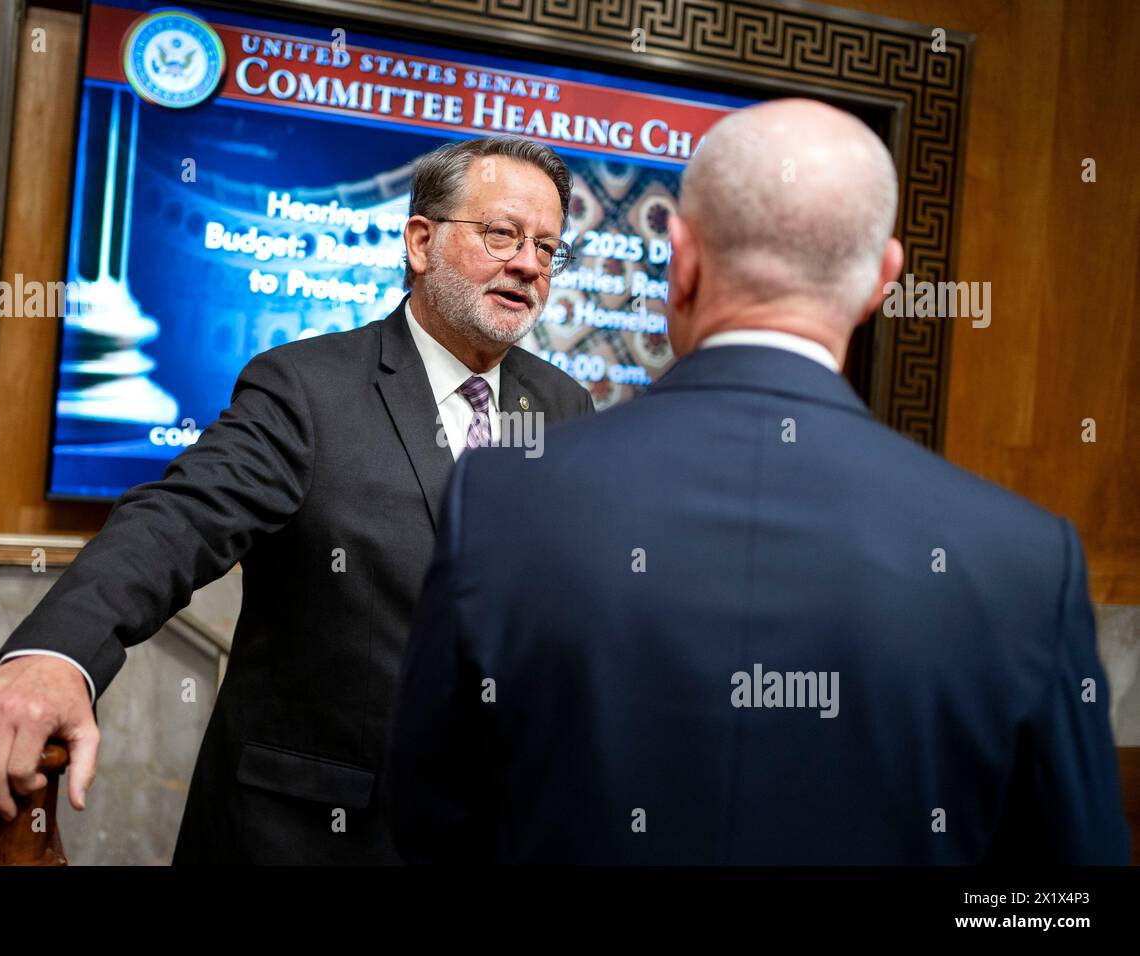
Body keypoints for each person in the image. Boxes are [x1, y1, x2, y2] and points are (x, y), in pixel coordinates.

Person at [386, 99, 1130, 864]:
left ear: (682, 257)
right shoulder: (1027, 561)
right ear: (883, 280)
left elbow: (428, 824)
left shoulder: (504, 501)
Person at [0, 134, 594, 864]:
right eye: (502, 234)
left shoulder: (562, 404)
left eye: (547, 248)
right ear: (421, 241)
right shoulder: (307, 390)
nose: (528, 264)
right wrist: (57, 656)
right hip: (309, 837)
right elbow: (176, 519)